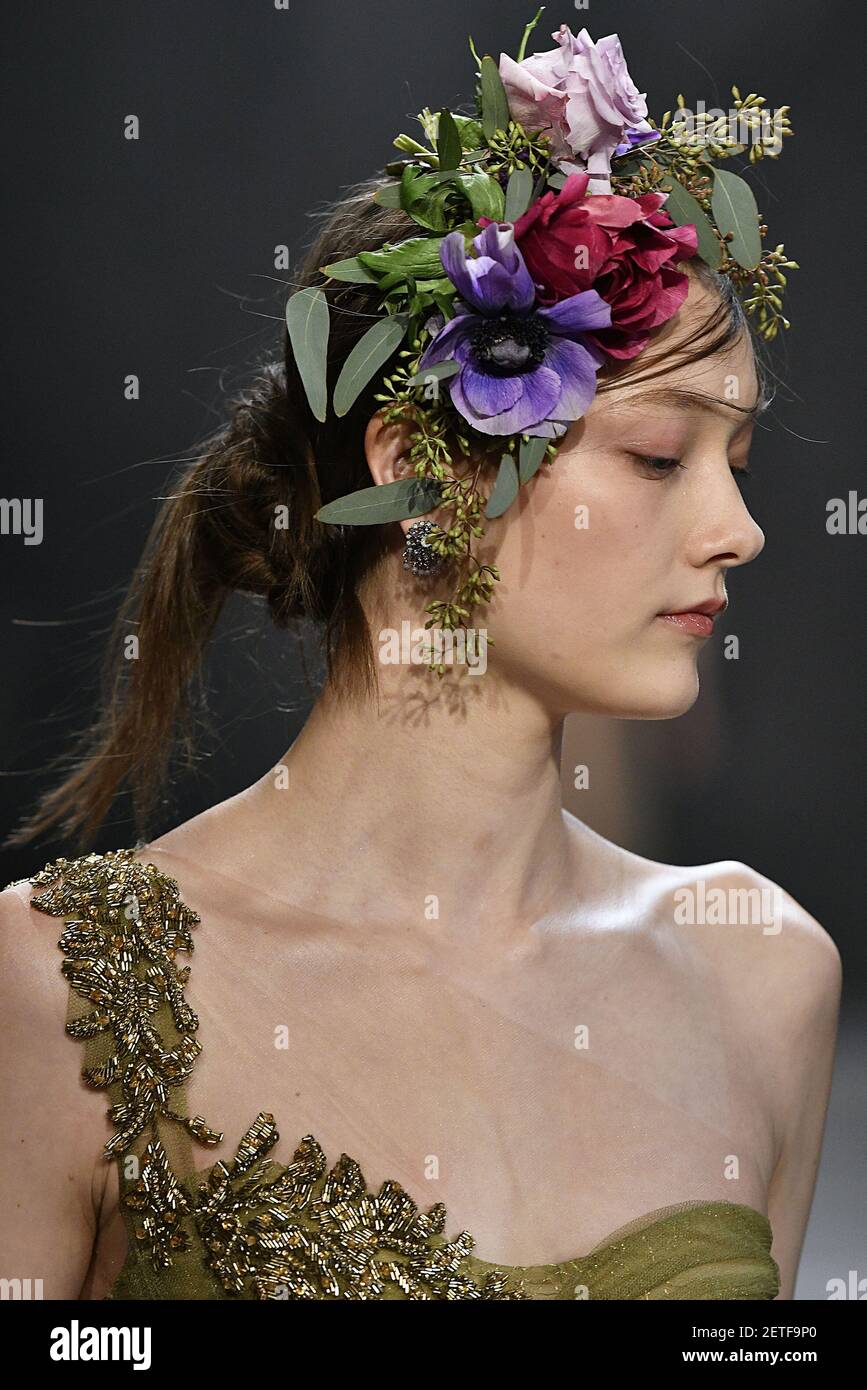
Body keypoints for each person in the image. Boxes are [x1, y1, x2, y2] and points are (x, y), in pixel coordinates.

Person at [0, 20, 840, 1302]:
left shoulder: (764, 976)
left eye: (739, 467)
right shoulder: (63, 981)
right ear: (423, 465)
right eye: (662, 457)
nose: (739, 529)